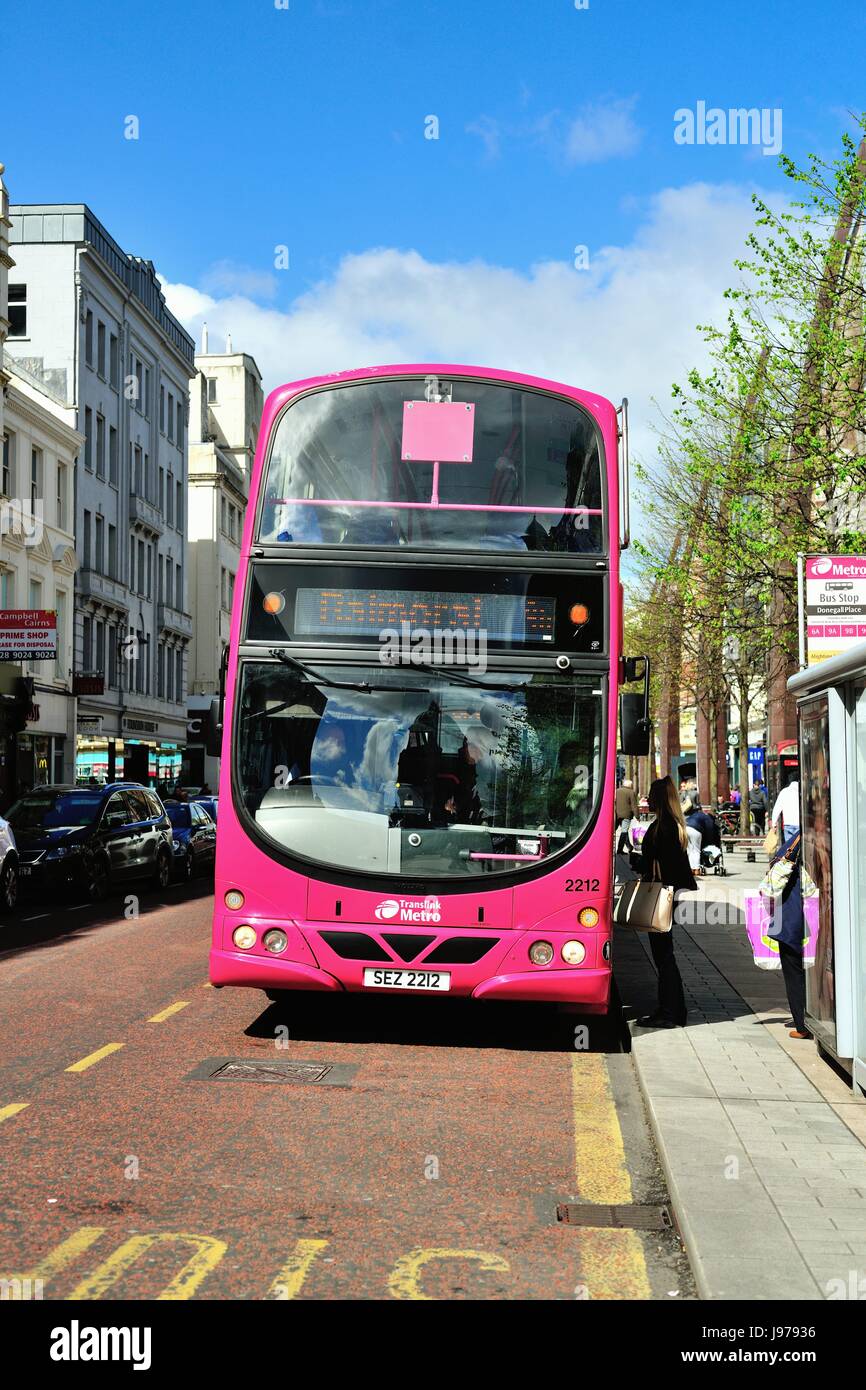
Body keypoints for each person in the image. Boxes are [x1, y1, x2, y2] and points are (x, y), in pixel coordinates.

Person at [638, 776, 697, 1028]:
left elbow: (652, 861)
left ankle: (669, 1012)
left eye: (651, 795)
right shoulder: (674, 825)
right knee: (665, 954)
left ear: (659, 799)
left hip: (659, 895)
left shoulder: (661, 827)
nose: (648, 799)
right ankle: (674, 1009)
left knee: (663, 956)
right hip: (669, 894)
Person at [769, 830, 810, 1039]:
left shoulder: (797, 841)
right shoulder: (815, 838)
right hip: (804, 915)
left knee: (793, 972)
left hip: (791, 916)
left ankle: (802, 1025)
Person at [771, 778, 800, 845]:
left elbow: (777, 809)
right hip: (799, 824)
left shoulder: (784, 791)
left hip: (788, 824)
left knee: (789, 847)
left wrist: (773, 824)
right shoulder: (802, 791)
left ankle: (791, 855)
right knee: (798, 846)